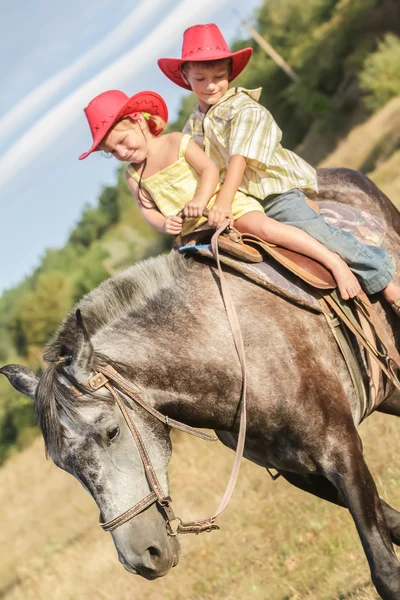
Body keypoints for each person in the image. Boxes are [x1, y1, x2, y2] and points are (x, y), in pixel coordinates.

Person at [157, 23, 400, 315]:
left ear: (230, 73)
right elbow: (192, 169)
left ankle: (381, 276)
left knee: (316, 230)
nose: (211, 85)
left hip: (270, 192)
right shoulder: (192, 126)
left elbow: (239, 158)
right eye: (201, 78)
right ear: (185, 76)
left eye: (219, 77)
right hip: (235, 203)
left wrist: (222, 202)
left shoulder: (246, 110)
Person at [79, 89, 367, 300]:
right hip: (191, 232)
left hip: (221, 207)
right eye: (111, 152)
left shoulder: (177, 142)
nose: (121, 152)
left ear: (139, 122)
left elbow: (209, 171)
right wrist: (162, 224)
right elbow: (148, 209)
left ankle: (334, 262)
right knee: (173, 289)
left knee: (265, 228)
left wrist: (201, 201)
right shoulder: (133, 176)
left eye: (122, 142)